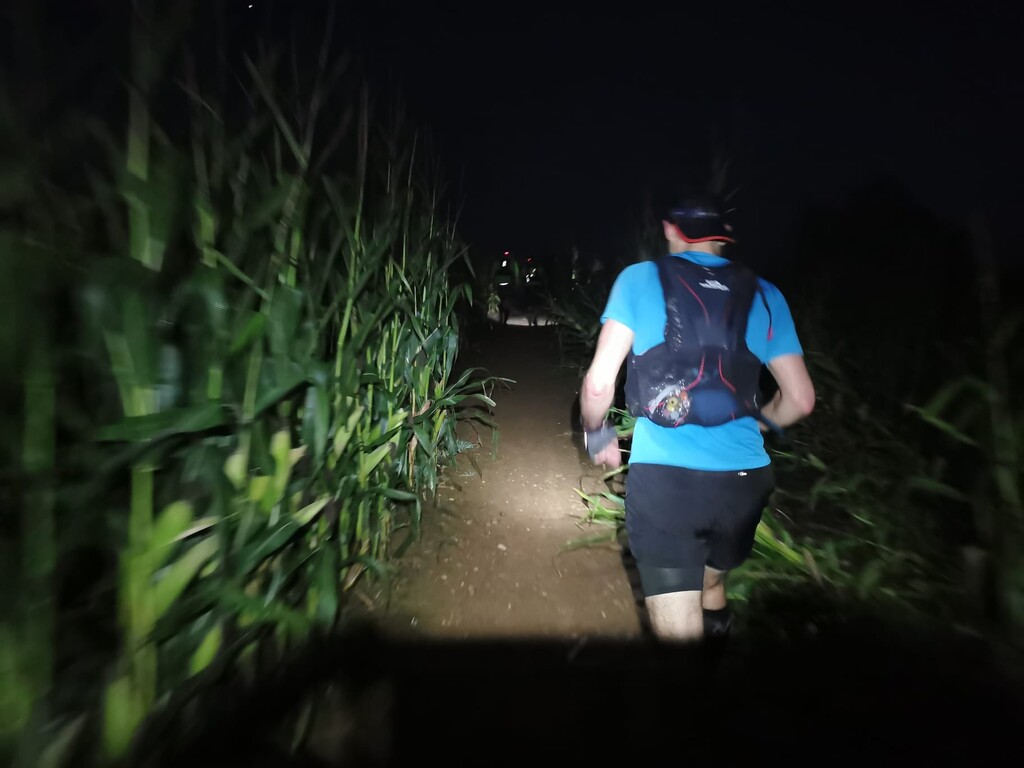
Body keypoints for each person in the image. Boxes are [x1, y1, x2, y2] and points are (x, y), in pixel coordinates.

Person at [579, 197, 815, 642]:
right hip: (744, 483)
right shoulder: (767, 294)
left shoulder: (639, 279)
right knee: (712, 582)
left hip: (668, 483)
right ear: (724, 235)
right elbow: (801, 399)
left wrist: (597, 434)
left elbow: (596, 386)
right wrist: (758, 423)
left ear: (671, 229)